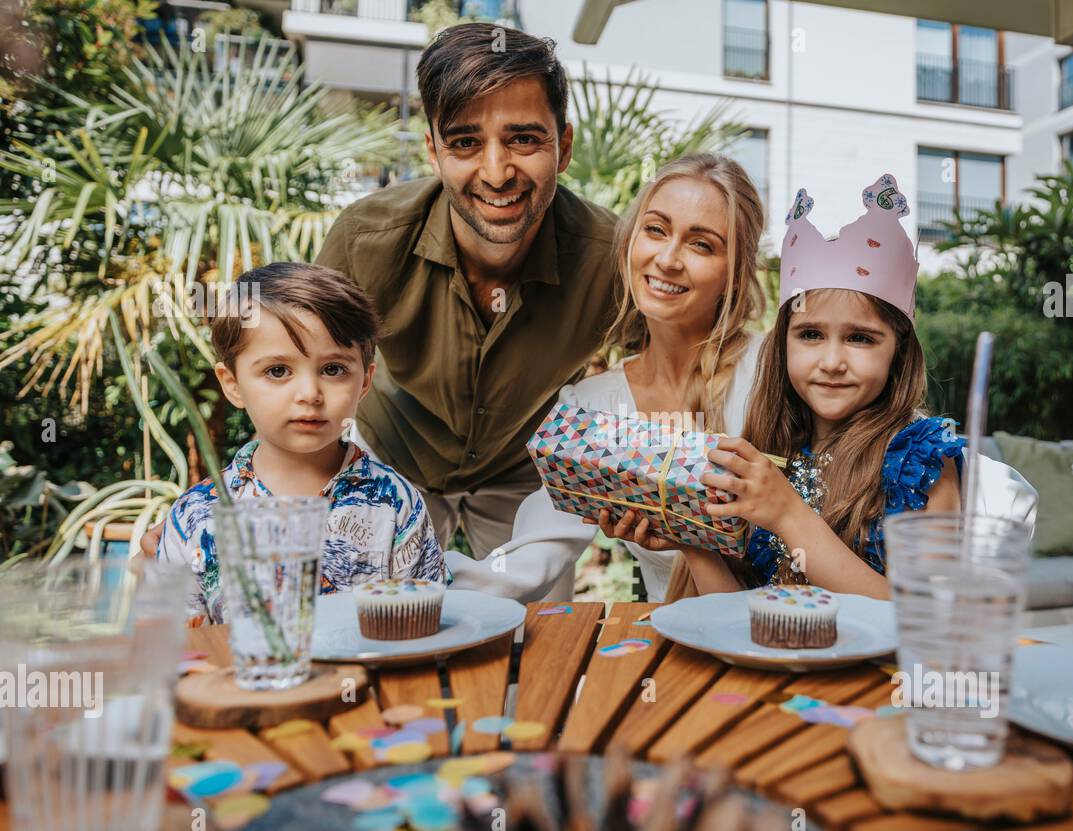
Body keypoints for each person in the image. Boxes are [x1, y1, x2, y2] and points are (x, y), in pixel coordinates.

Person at [610, 176, 1035, 599]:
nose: (832, 362)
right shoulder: (775, 450)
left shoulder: (920, 464)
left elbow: (922, 617)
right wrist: (693, 540)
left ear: (898, 354)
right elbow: (737, 614)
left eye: (860, 338)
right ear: (782, 347)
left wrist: (788, 514)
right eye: (811, 335)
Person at [313, 23, 619, 574]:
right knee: (369, 631)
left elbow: (680, 365)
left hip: (523, 471)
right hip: (389, 456)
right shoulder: (364, 240)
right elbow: (307, 369)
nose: (497, 172)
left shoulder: (612, 257)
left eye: (524, 139)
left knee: (534, 640)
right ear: (433, 150)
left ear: (564, 146)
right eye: (465, 142)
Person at [443, 153, 768, 603]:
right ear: (630, 242)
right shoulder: (593, 408)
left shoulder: (772, 372)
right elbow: (531, 558)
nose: (668, 259)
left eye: (701, 245)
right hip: (674, 651)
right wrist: (415, 583)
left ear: (735, 273)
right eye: (656, 230)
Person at [155, 263, 446, 626]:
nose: (309, 394)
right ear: (232, 384)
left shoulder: (397, 504)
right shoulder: (194, 516)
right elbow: (179, 647)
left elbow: (424, 626)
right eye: (278, 371)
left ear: (366, 380)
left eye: (334, 369)